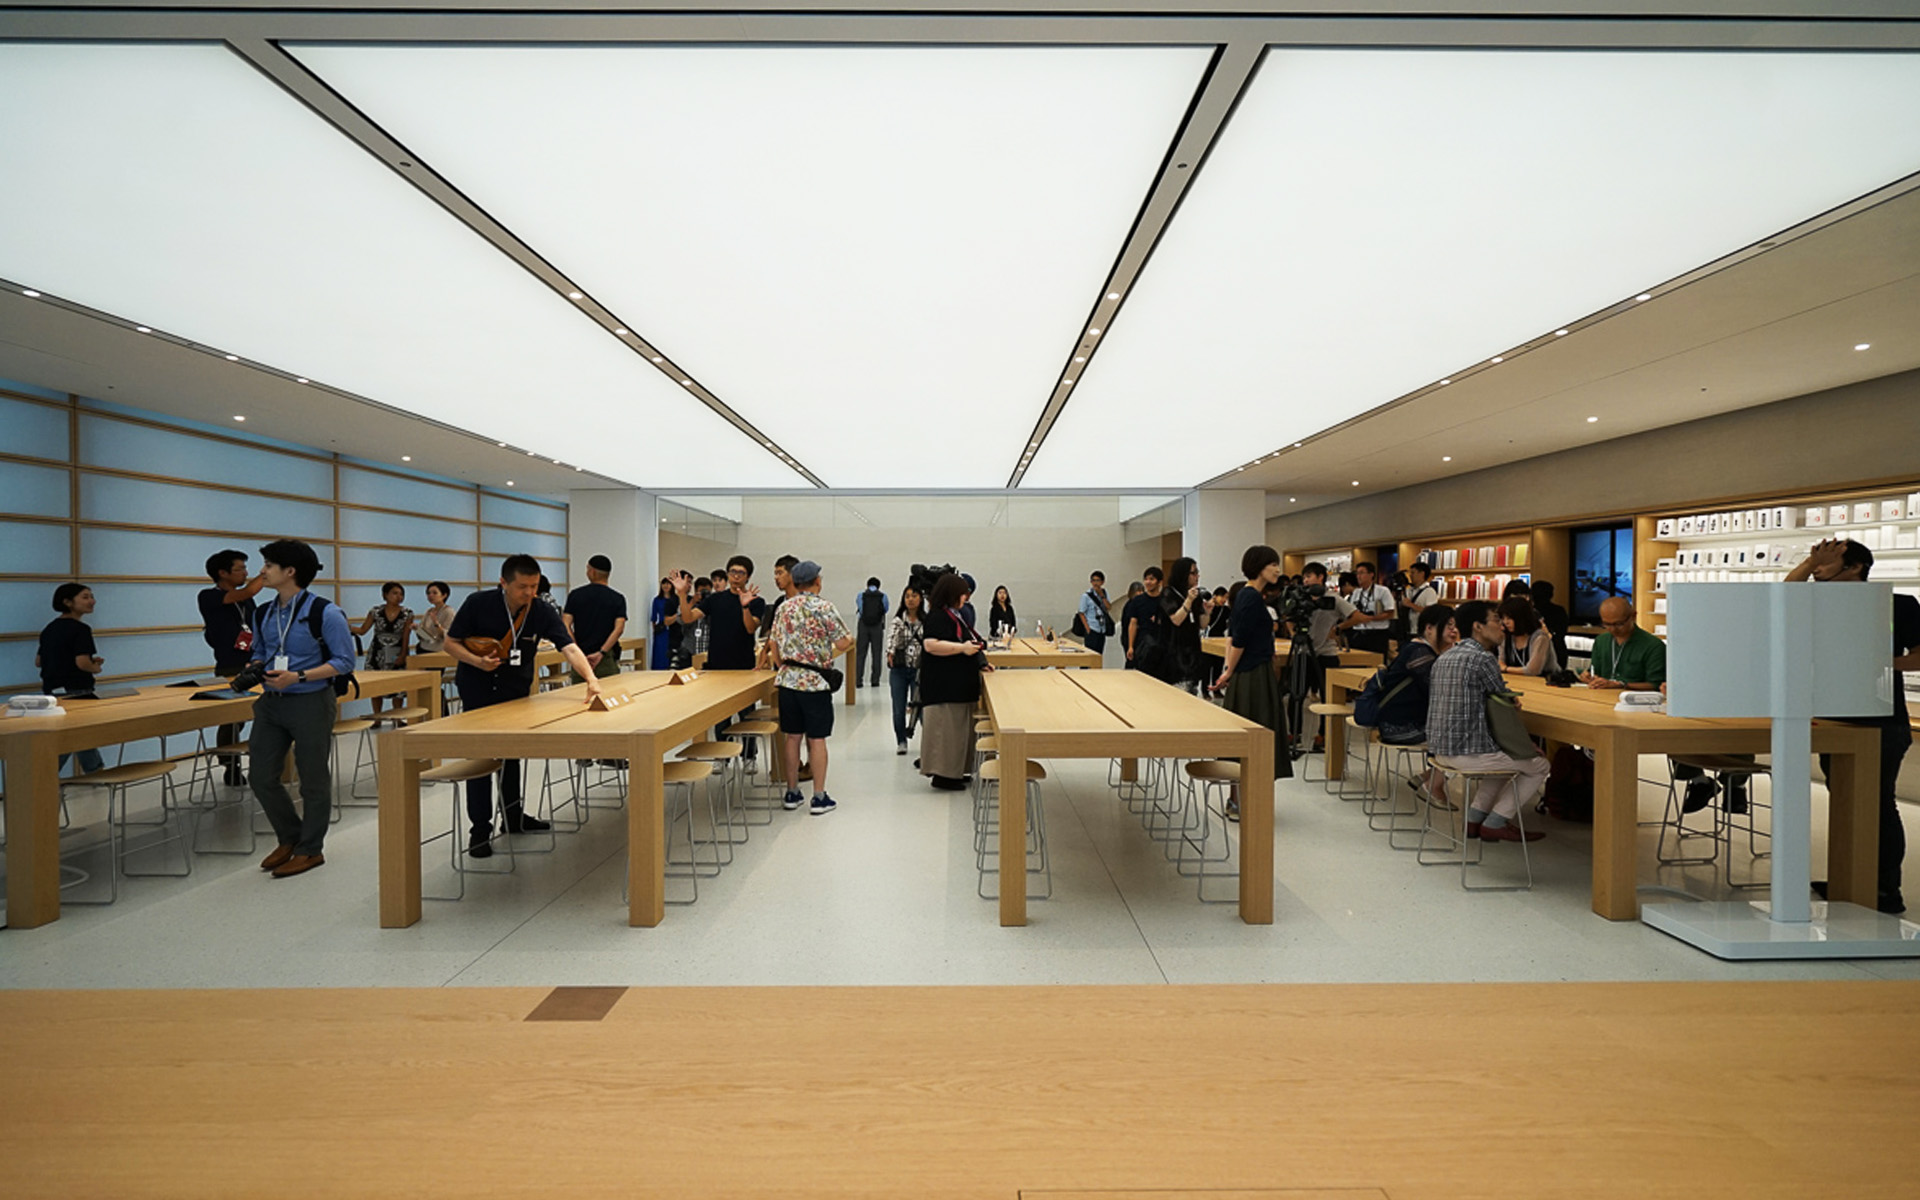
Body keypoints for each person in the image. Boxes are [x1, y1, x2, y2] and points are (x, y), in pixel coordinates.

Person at [1788, 537, 1919, 915]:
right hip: (1833, 720)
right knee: (1845, 800)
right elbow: (1783, 598)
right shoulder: (1817, 606)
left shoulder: (1897, 605)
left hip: (1880, 721)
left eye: (1825, 563)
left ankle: (1885, 890)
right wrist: (1809, 562)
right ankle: (1850, 877)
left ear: (1856, 567)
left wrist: (1881, 662)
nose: (1816, 569)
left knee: (1878, 803)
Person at [444, 555, 604, 859]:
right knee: (480, 758)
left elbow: (568, 646)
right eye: (522, 587)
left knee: (512, 753)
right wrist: (478, 661)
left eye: (534, 586)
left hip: (515, 691)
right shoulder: (478, 603)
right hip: (477, 689)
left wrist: (591, 679)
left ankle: (514, 816)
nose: (529, 592)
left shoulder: (541, 610)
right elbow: (451, 643)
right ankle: (479, 829)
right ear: (503, 583)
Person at [244, 539, 356, 878]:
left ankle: (311, 849)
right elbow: (259, 649)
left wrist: (299, 675)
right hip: (271, 702)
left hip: (310, 700)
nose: (261, 570)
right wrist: (257, 664)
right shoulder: (263, 611)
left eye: (268, 564)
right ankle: (291, 837)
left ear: (289, 572)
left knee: (313, 779)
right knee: (261, 776)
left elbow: (345, 661)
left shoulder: (326, 612)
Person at [1426, 599, 1550, 843]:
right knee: (1539, 766)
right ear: (1478, 627)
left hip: (1439, 751)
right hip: (1467, 752)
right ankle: (1497, 821)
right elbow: (1504, 707)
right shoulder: (1483, 660)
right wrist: (1525, 746)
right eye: (1496, 619)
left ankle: (1475, 819)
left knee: (1503, 766)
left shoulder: (1445, 657)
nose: (1502, 625)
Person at [1208, 545, 1295, 818]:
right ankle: (1237, 801)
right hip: (1252, 676)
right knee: (1252, 736)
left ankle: (1242, 799)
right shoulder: (1250, 598)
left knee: (1250, 736)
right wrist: (1228, 672)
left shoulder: (1251, 597)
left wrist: (1228, 670)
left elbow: (1234, 637)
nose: (1278, 570)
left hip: (1253, 673)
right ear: (1259, 566)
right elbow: (1239, 640)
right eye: (1273, 565)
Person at [767, 561, 854, 816]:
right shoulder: (824, 607)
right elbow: (842, 640)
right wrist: (838, 645)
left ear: (795, 581)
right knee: (816, 739)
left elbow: (773, 644)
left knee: (792, 737)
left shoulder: (783, 607)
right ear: (817, 581)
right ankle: (818, 796)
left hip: (788, 681)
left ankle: (792, 792)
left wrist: (786, 666)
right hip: (815, 684)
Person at [671, 555, 767, 759]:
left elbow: (750, 629)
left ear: (748, 576)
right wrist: (682, 594)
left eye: (740, 573)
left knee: (746, 715)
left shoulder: (756, 602)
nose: (735, 577)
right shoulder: (714, 599)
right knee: (721, 716)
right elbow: (688, 618)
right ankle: (722, 757)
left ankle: (749, 755)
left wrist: (745, 606)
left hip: (743, 666)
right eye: (732, 572)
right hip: (717, 665)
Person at [919, 571, 988, 791]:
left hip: (958, 685)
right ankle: (944, 775)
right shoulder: (937, 616)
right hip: (944, 685)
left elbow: (968, 639)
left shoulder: (955, 615)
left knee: (958, 732)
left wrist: (980, 662)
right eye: (962, 594)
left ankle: (956, 771)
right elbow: (930, 645)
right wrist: (963, 649)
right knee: (946, 732)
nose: (965, 598)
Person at [199, 548, 264, 785]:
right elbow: (246, 590)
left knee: (255, 713)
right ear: (223, 573)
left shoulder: (246, 599)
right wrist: (268, 573)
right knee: (232, 718)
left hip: (254, 662)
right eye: (241, 568)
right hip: (229, 664)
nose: (245, 573)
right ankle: (230, 764)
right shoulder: (208, 596)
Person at [36, 583, 106, 776]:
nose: (92, 601)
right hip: (77, 690)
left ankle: (96, 771)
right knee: (74, 735)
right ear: (67, 602)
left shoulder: (49, 629)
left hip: (52, 690)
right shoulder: (81, 629)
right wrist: (95, 667)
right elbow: (82, 663)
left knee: (77, 734)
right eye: (85, 597)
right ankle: (44, 774)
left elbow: (39, 661)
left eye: (91, 596)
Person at [563, 554, 629, 682]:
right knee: (608, 696)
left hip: (581, 657)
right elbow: (619, 629)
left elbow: (565, 625)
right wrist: (601, 652)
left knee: (579, 697)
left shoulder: (575, 595)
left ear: (592, 572)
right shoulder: (617, 598)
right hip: (606, 657)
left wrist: (576, 649)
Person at [350, 582, 413, 713]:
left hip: (397, 651)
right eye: (395, 593)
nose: (399, 597)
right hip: (377, 652)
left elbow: (406, 636)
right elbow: (362, 630)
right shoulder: (375, 612)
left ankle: (398, 717)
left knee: (398, 686)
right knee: (376, 685)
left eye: (401, 594)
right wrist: (346, 626)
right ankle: (377, 717)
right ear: (385, 595)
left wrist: (403, 655)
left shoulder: (407, 613)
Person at [1581, 597, 1664, 691]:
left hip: (1636, 701)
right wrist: (1589, 677)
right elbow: (1595, 672)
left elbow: (1657, 685)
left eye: (1619, 624)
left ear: (1633, 616)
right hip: (1601, 698)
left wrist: (1621, 685)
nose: (1613, 629)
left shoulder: (1654, 646)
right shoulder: (1601, 641)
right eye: (1606, 624)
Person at [886, 583, 926, 755]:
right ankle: (901, 741)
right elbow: (891, 638)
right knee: (898, 707)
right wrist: (890, 652)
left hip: (919, 670)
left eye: (914, 596)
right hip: (900, 670)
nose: (910, 599)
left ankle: (927, 741)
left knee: (921, 708)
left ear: (921, 599)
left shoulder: (926, 620)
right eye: (907, 596)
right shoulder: (898, 620)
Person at [1160, 556, 1209, 692]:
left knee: (1192, 690)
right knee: (1176, 693)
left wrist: (1207, 612)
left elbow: (1203, 624)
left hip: (1192, 650)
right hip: (1174, 651)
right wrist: (1188, 600)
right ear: (1183, 574)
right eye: (1193, 573)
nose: (1197, 577)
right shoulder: (1168, 593)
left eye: (1197, 573)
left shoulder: (1196, 595)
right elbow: (1176, 620)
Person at [1336, 561, 1396, 656]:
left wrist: (1370, 618)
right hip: (1358, 633)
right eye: (1357, 573)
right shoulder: (1356, 593)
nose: (1358, 576)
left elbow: (1390, 613)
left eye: (1362, 573)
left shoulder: (1382, 591)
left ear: (1371, 574)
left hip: (1377, 634)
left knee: (1377, 664)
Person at [1497, 596, 1559, 677]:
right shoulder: (1506, 637)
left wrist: (1506, 669)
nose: (1505, 622)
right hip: (1520, 682)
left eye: (1509, 618)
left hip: (1546, 683)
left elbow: (1533, 670)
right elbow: (1501, 661)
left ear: (1521, 617)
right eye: (1503, 618)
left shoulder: (1540, 637)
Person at [1123, 566, 1168, 673]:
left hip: (1162, 643)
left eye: (1152, 579)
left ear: (1160, 582)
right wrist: (1130, 646)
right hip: (1143, 643)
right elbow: (1133, 623)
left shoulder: (1165, 600)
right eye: (1146, 579)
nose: (1148, 582)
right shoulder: (1138, 601)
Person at [853, 576, 889, 689]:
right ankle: (875, 681)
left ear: (867, 585)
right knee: (876, 654)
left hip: (863, 625)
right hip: (877, 626)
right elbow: (886, 609)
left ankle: (858, 681)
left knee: (860, 654)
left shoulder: (861, 595)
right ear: (878, 586)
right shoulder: (883, 596)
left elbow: (860, 607)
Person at [1530, 580, 1571, 670]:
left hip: (1536, 651)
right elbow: (1562, 632)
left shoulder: (1530, 612)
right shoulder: (1559, 611)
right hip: (1558, 650)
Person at [1077, 571, 1116, 654]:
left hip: (1102, 629)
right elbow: (1081, 613)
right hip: (1092, 628)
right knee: (1089, 655)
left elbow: (1109, 607)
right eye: (1093, 580)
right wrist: (1087, 629)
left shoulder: (1104, 593)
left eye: (1098, 580)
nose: (1095, 583)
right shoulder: (1086, 596)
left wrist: (1102, 596)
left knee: (1099, 655)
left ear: (1102, 582)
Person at [647, 577, 679, 671]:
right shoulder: (657, 600)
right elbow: (653, 617)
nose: (666, 586)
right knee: (660, 651)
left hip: (673, 628)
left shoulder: (676, 599)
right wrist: (655, 629)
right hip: (661, 629)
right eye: (664, 584)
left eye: (668, 584)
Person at [415, 581, 455, 655]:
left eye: (434, 593)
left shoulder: (448, 611)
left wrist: (436, 623)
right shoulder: (429, 611)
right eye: (428, 593)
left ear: (444, 595)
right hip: (423, 647)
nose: (430, 595)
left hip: (438, 651)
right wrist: (416, 629)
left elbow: (447, 635)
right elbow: (425, 634)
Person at [681, 576, 713, 666]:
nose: (704, 595)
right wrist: (693, 602)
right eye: (702, 592)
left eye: (707, 592)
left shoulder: (714, 604)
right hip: (690, 650)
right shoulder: (688, 603)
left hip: (708, 650)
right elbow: (681, 621)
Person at [1402, 561, 1440, 630]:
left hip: (1420, 630)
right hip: (1407, 628)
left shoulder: (1429, 591)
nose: (1410, 575)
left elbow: (1431, 612)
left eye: (1413, 573)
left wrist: (1410, 605)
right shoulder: (1409, 590)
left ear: (1422, 574)